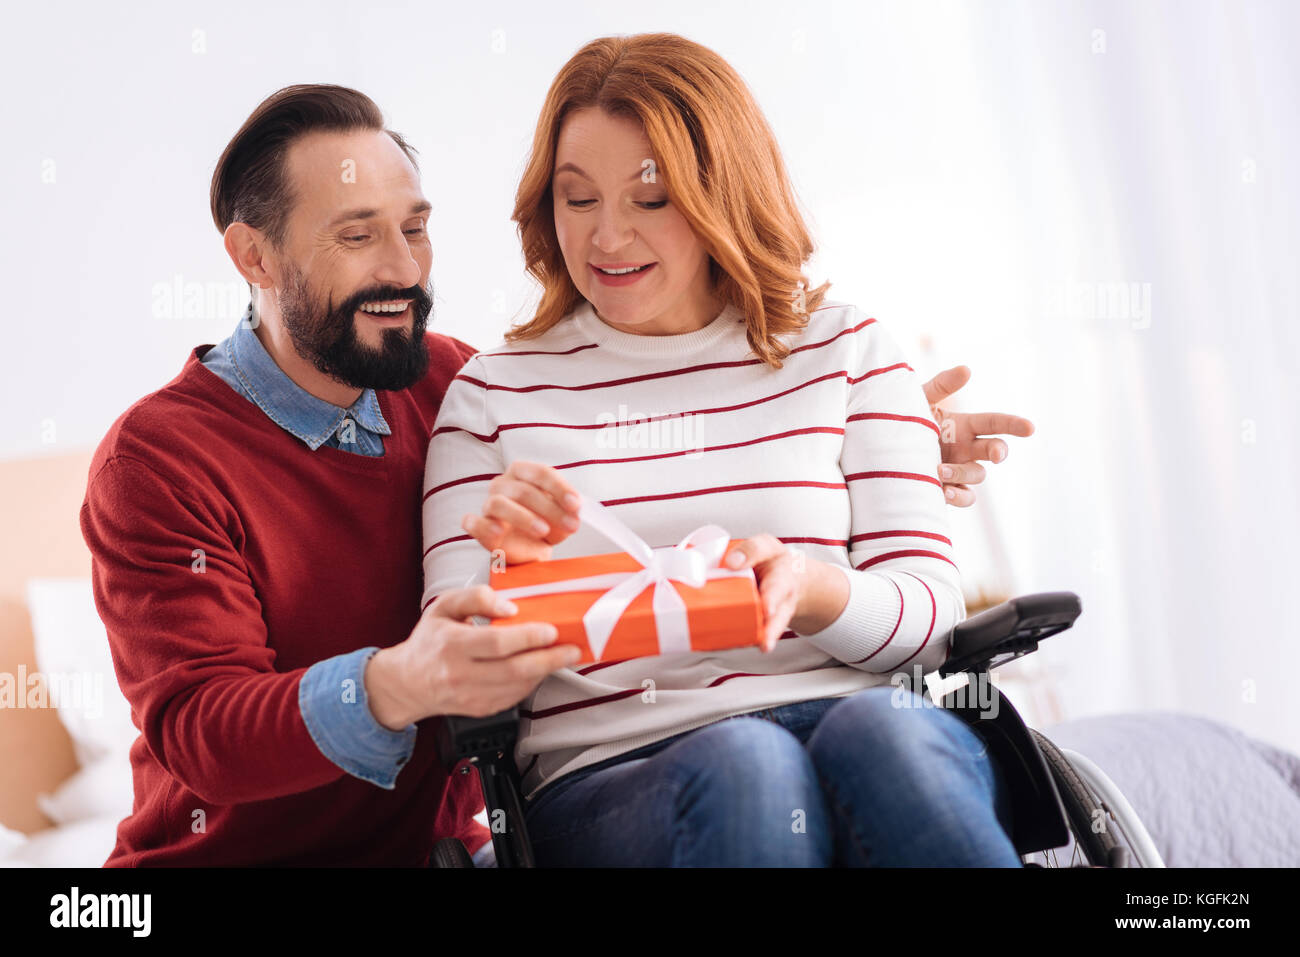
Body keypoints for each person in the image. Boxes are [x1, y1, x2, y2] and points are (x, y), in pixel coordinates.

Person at [422, 34, 1034, 866]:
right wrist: (513, 578)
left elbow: (930, 616)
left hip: (863, 719)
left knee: (878, 735)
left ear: (723, 192)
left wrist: (812, 591)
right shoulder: (493, 398)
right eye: (577, 199)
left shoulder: (849, 351)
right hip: (613, 772)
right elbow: (449, 670)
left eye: (650, 198)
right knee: (747, 762)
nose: (606, 238)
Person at [79, 84, 578, 866]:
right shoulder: (155, 461)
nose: (406, 269)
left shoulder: (457, 386)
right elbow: (206, 729)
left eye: (416, 229)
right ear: (255, 256)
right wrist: (397, 683)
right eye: (357, 236)